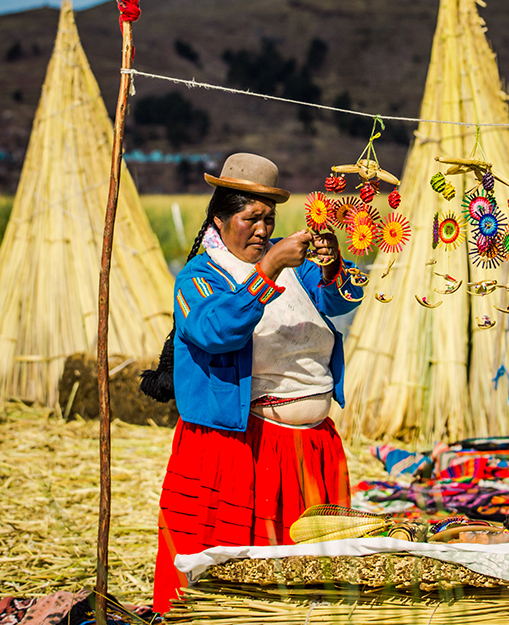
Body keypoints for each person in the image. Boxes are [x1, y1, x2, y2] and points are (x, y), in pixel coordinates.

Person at [147, 153, 365, 613]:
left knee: (307, 575)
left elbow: (341, 300)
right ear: (221, 220)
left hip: (311, 449)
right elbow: (216, 331)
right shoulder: (200, 276)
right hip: (242, 449)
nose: (263, 230)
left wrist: (331, 267)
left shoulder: (294, 261)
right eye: (251, 219)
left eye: (270, 219)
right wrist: (268, 270)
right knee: (232, 572)